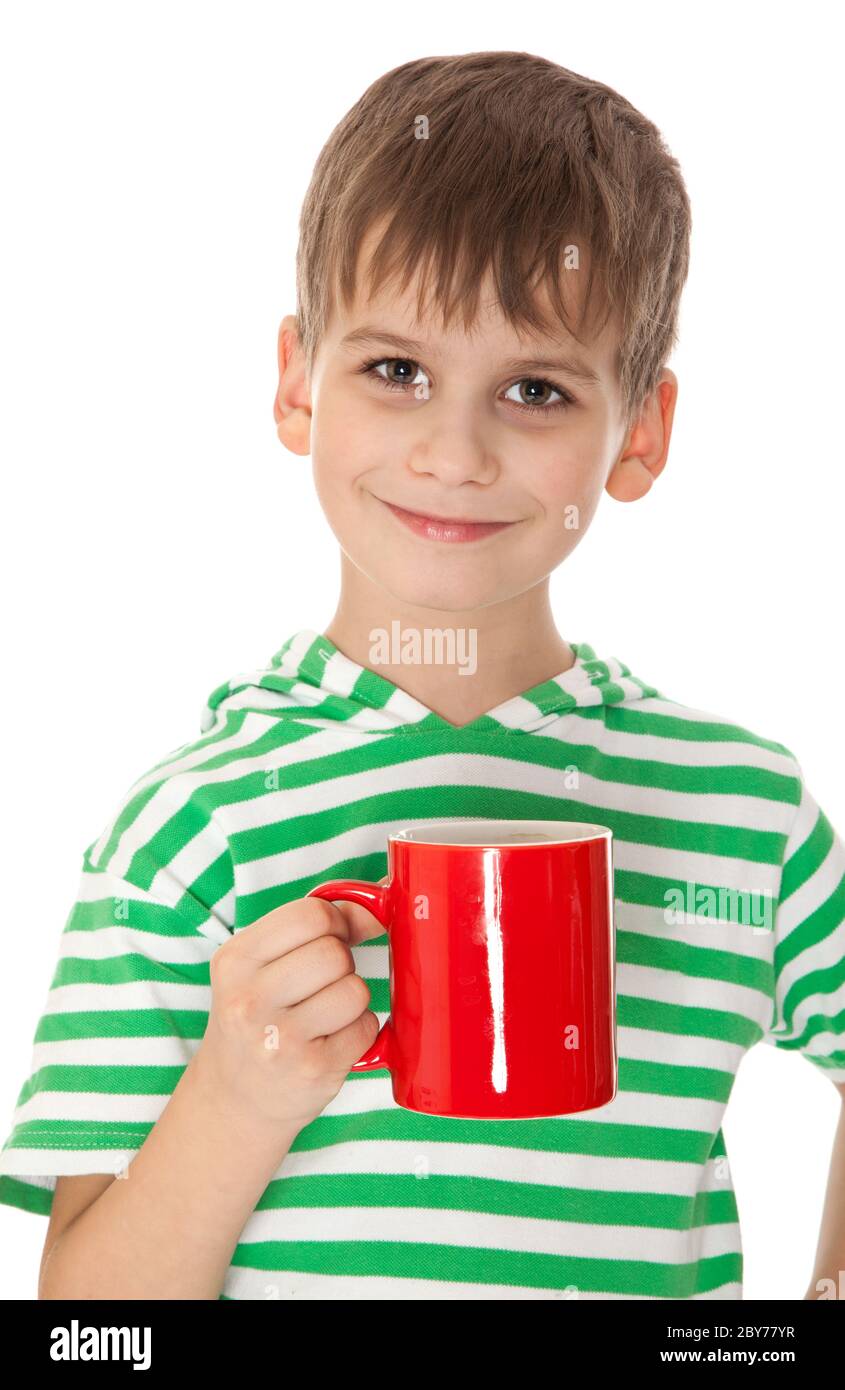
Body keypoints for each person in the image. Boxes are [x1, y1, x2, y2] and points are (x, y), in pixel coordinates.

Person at [2, 50, 844, 1301]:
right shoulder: (190, 829)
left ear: (640, 433)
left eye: (535, 388)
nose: (452, 452)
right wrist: (240, 1094)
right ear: (297, 383)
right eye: (395, 371)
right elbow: (89, 1330)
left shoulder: (739, 809)